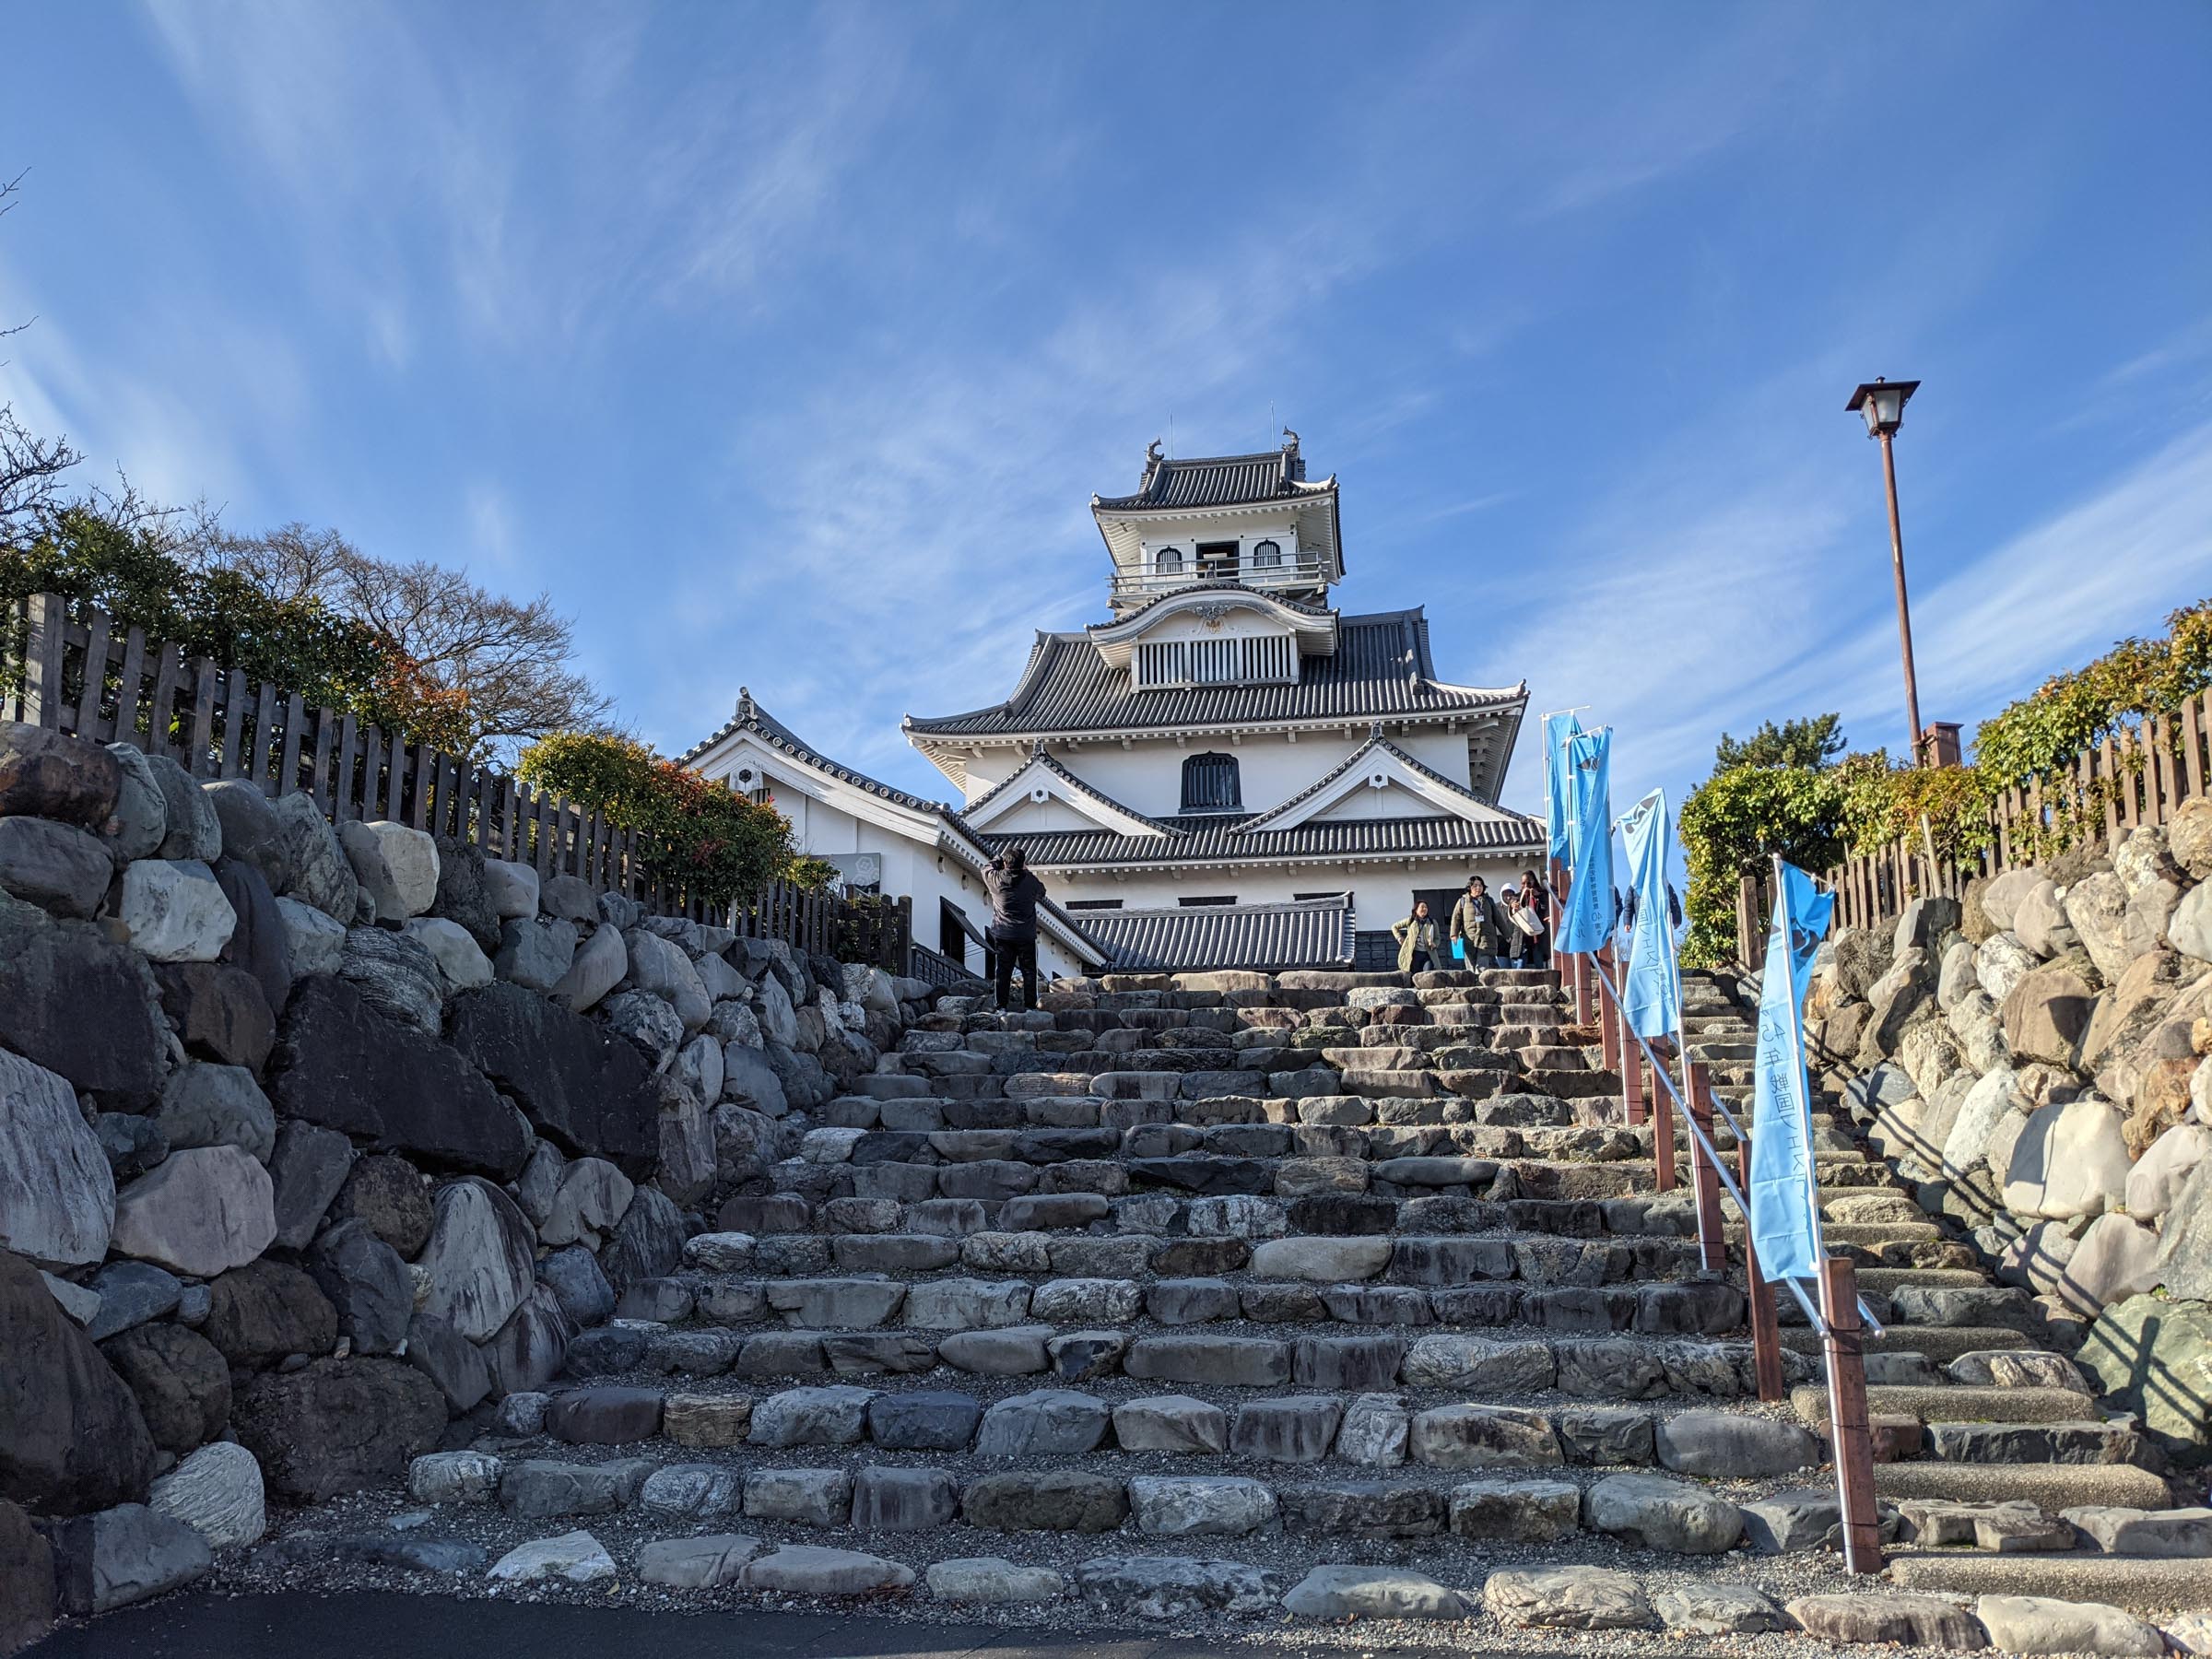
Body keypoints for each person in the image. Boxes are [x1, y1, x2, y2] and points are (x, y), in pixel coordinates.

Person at [982, 845, 1047, 1012]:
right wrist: (1026, 871)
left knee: (1003, 971)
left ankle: (1001, 1006)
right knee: (1029, 971)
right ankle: (1030, 1007)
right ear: (1023, 863)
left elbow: (986, 868)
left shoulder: (995, 880)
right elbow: (1042, 891)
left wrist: (998, 860)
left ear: (1005, 863)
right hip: (1026, 934)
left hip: (1003, 933)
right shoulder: (1031, 883)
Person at [1450, 877, 1507, 969]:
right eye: (1475, 885)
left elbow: (1498, 919)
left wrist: (1507, 934)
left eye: (1480, 885)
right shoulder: (1462, 901)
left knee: (1482, 967)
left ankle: (1482, 982)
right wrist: (1454, 935)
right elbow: (1456, 919)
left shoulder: (1489, 901)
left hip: (1486, 940)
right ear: (1470, 887)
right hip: (1469, 941)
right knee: (1471, 969)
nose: (1478, 888)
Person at [1507, 868, 1551, 969]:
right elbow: (1510, 915)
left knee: (1539, 964)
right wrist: (1513, 907)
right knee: (1520, 966)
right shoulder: (1517, 897)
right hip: (1523, 938)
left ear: (1534, 882)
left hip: (1538, 936)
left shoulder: (1542, 895)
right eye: (1523, 883)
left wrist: (1538, 897)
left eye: (1529, 883)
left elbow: (1546, 909)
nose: (1526, 886)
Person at [1393, 898, 1443, 975]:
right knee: (1414, 975)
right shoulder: (1411, 920)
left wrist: (1434, 944)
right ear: (1416, 910)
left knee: (1427, 974)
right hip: (1414, 954)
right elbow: (1394, 926)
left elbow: (1437, 938)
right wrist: (1399, 937)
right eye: (1422, 907)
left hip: (1428, 954)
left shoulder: (1432, 922)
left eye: (1426, 907)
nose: (1424, 909)